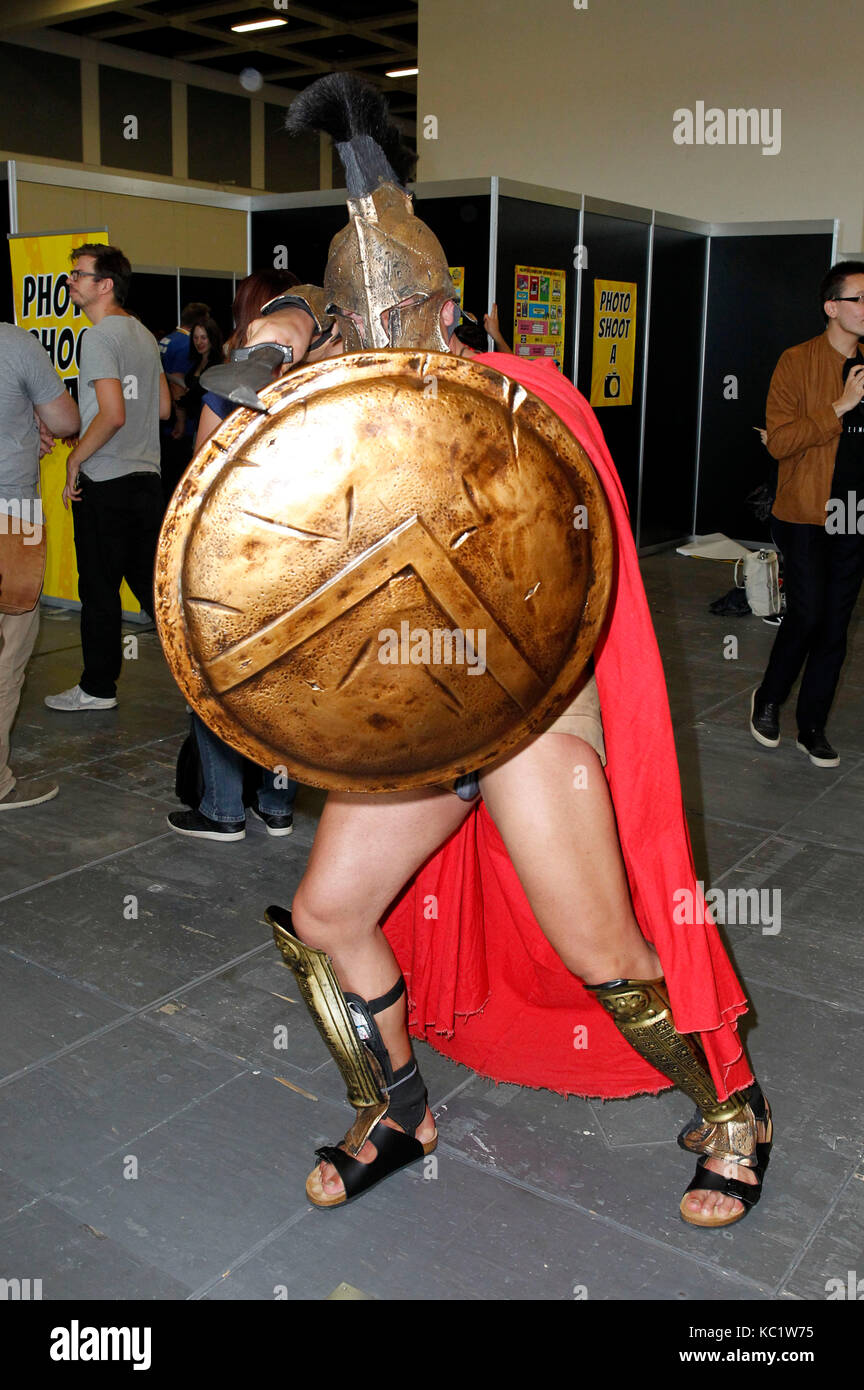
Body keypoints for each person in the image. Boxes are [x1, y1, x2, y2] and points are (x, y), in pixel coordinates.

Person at [202, 74, 772, 1230]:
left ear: (445, 308)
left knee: (600, 940)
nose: (388, 338)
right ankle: (398, 1105)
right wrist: (274, 350)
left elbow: (565, 561)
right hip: (418, 720)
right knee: (326, 912)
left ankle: (734, 1111)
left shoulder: (526, 394)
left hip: (530, 713)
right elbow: (226, 525)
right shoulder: (333, 407)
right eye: (366, 324)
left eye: (400, 318)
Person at [167, 269, 333, 842]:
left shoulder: (234, 374)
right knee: (288, 674)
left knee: (212, 675)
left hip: (242, 544)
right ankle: (277, 804)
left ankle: (223, 809)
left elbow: (203, 463)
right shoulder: (327, 371)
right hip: (310, 543)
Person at [44, 244, 171, 712]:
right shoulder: (140, 333)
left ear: (105, 284)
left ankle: (98, 687)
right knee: (155, 592)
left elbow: (113, 414)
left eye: (78, 275)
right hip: (145, 482)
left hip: (106, 481)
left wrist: (76, 458)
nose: (70, 282)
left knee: (98, 589)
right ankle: (205, 683)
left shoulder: (97, 338)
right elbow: (160, 408)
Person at [750, 260, 864, 766]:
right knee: (808, 613)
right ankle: (770, 698)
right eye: (859, 298)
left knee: (836, 627)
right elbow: (779, 442)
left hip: (855, 512)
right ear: (832, 307)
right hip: (805, 511)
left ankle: (811, 725)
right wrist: (840, 406)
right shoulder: (796, 362)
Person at [0, 324, 79, 808]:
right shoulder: (15, 343)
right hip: (13, 514)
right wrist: (31, 420)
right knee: (8, 652)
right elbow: (66, 420)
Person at [158, 302, 211, 500]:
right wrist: (180, 421)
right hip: (181, 423)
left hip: (167, 418)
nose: (199, 341)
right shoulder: (182, 344)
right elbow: (177, 386)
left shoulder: (166, 339)